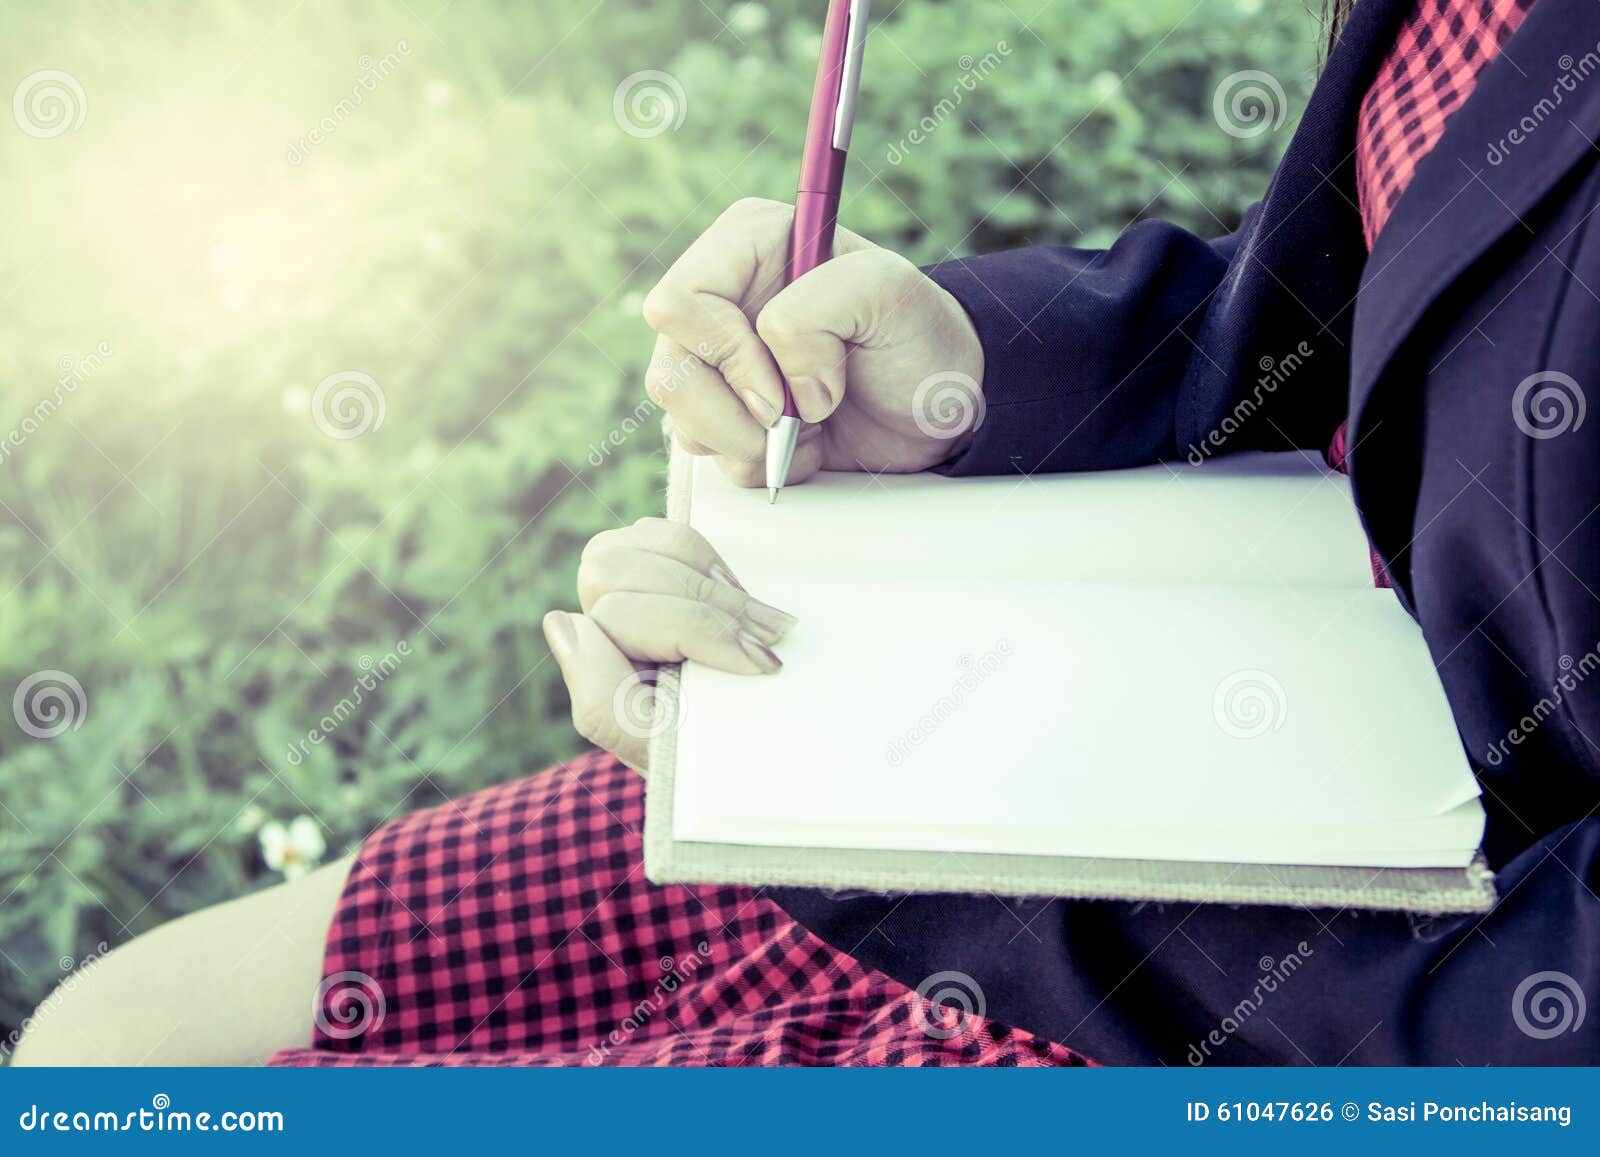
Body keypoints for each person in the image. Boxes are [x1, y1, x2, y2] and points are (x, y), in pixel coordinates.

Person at [16, 0, 1600, 1066]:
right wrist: (956, 376)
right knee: (114, 1041)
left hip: (1295, 997)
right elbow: (1382, 293)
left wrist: (934, 841)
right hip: (1063, 765)